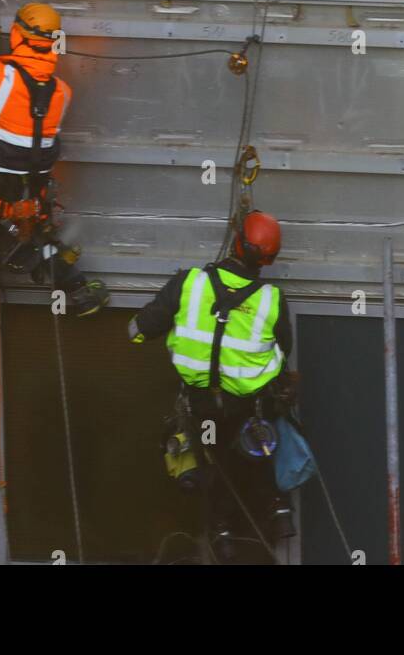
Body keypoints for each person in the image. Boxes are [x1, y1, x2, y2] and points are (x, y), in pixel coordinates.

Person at [128, 210, 294, 560]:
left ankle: (222, 533)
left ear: (236, 242)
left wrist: (140, 328)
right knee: (257, 453)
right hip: (250, 407)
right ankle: (277, 510)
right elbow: (283, 349)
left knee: (214, 461)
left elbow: (141, 330)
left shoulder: (189, 283)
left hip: (204, 408)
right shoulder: (271, 299)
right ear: (269, 259)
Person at [0, 0, 108, 316]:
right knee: (37, 237)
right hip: (28, 199)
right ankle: (76, 287)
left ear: (17, 35)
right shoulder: (61, 93)